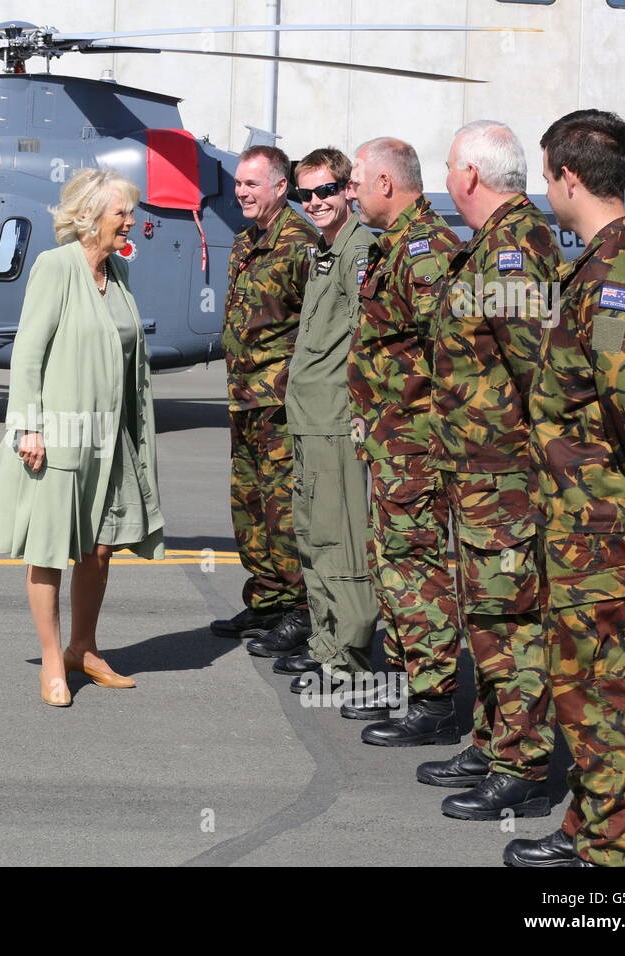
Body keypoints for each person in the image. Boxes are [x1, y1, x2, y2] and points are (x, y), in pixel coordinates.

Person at [505, 110, 625, 866]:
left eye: (549, 177)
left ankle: (609, 851)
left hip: (598, 516)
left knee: (599, 681)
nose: (547, 192)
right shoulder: (608, 261)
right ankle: (591, 823)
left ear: (569, 179)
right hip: (582, 512)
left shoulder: (615, 273)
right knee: (578, 675)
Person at [413, 122, 564, 822]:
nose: (446, 178)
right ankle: (493, 741)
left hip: (507, 484)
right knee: (488, 619)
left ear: (471, 175)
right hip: (479, 478)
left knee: (511, 623)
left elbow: (544, 375)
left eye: (449, 167)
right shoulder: (491, 247)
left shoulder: (513, 253)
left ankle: (525, 765)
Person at [0, 167, 164, 707]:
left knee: (100, 549)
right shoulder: (55, 268)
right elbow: (28, 353)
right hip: (60, 434)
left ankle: (84, 647)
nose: (132, 220)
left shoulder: (117, 276)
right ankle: (53, 659)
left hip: (109, 436)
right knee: (50, 548)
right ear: (91, 217)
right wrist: (27, 426)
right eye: (123, 211)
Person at [342, 139, 463, 722]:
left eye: (356, 182)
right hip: (392, 444)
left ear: (386, 184)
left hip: (418, 447)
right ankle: (405, 679)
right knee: (394, 562)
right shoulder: (393, 248)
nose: (350, 193)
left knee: (416, 566)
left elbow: (455, 358)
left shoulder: (426, 253)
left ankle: (434, 700)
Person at [254, 148, 380, 701]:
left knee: (342, 540)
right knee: (313, 537)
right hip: (307, 418)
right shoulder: (325, 253)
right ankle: (328, 646)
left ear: (349, 189)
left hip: (334, 419)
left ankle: (349, 662)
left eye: (326, 191)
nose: (317, 203)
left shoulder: (361, 252)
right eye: (306, 195)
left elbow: (367, 343)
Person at [211, 145, 318, 642]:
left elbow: (319, 327)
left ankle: (298, 607)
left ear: (280, 187)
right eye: (238, 183)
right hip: (245, 399)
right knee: (248, 503)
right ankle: (267, 599)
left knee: (283, 508)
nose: (240, 192)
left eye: (251, 184)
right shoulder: (245, 242)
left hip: (280, 403)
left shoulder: (301, 244)